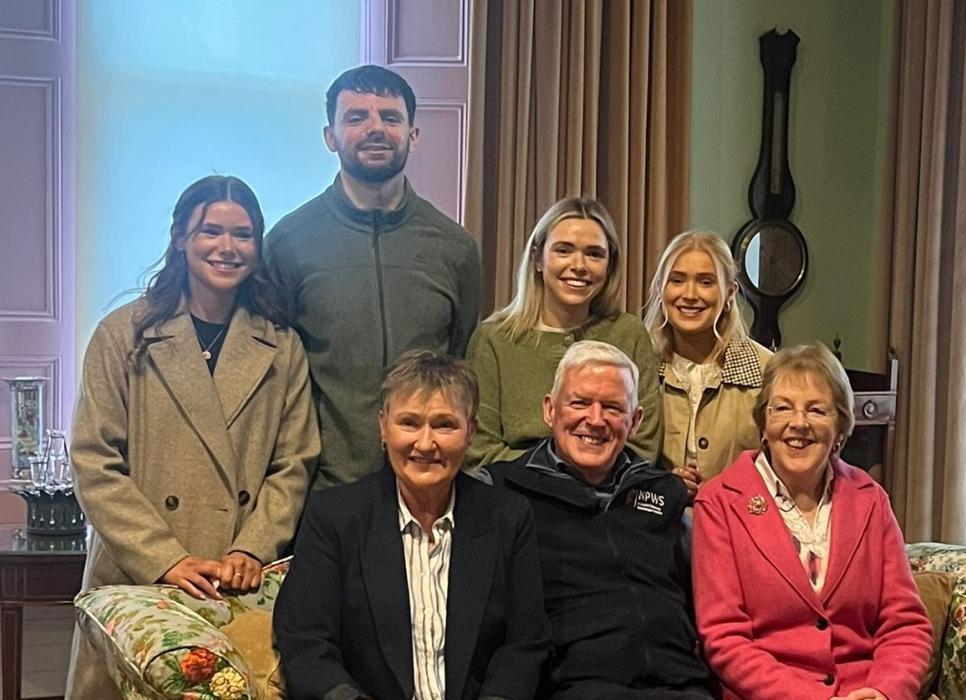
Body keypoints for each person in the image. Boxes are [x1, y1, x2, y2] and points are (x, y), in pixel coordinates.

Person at [66, 176, 320, 699]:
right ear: (181, 237)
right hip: (138, 577)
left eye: (243, 234)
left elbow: (294, 463)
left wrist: (251, 548)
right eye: (211, 231)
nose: (227, 247)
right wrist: (165, 558)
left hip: (234, 580)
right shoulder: (123, 334)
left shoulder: (280, 345)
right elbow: (94, 460)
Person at [274, 350, 550, 700]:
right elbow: (305, 642)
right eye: (409, 423)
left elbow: (526, 643)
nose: (425, 443)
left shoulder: (508, 517)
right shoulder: (334, 517)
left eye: (444, 424)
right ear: (383, 427)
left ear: (470, 432)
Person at [265, 64, 482, 489]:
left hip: (429, 487)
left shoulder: (455, 247)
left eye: (390, 117)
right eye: (357, 117)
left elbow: (461, 361)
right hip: (322, 490)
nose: (375, 128)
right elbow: (276, 375)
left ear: (413, 135)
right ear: (330, 136)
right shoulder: (288, 243)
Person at [691, 343, 931, 700]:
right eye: (783, 408)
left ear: (840, 430)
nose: (798, 424)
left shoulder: (870, 500)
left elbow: (906, 625)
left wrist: (884, 690)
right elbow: (725, 639)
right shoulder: (720, 503)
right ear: (764, 423)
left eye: (817, 410)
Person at [487, 341, 710, 698]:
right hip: (576, 687)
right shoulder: (505, 492)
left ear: (635, 421)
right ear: (550, 410)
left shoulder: (665, 492)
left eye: (612, 407)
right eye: (579, 403)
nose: (594, 420)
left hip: (682, 685)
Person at [466, 197, 661, 470]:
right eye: (564, 250)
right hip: (516, 497)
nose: (579, 265)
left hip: (608, 498)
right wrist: (557, 482)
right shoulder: (494, 339)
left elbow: (643, 446)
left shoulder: (629, 334)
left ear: (609, 265)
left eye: (594, 254)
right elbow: (479, 451)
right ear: (538, 258)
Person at [644, 230, 771, 499]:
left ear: (730, 292)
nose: (689, 295)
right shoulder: (638, 365)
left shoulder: (768, 372)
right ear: (661, 289)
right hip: (657, 526)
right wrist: (660, 482)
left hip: (742, 524)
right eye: (677, 280)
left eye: (705, 282)